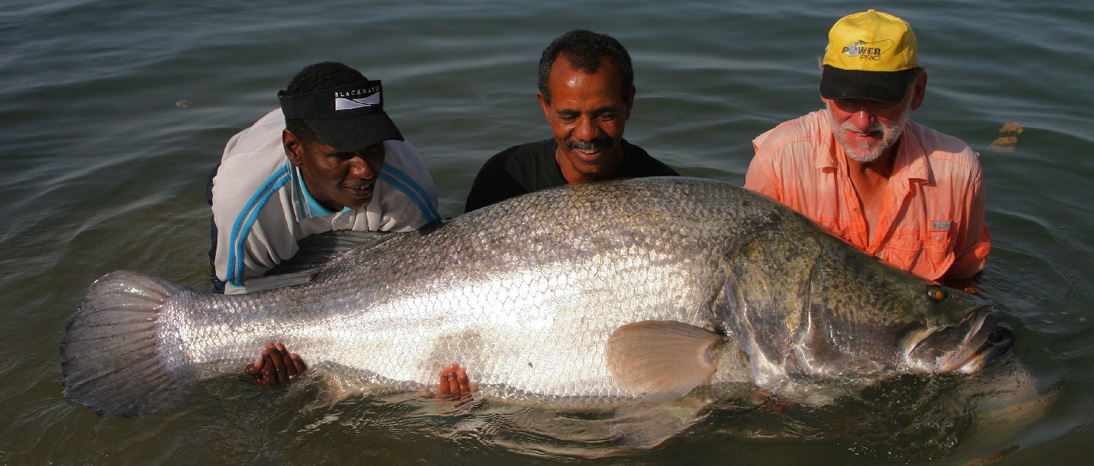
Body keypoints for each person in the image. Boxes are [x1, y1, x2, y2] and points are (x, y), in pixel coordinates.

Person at [744, 10, 991, 289]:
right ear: (824, 87)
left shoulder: (958, 173)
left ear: (918, 90)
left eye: (880, 101)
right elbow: (754, 283)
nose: (862, 122)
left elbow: (965, 282)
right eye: (847, 99)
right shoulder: (778, 161)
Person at [208, 61, 440, 295]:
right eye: (343, 154)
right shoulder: (245, 200)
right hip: (254, 183)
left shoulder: (409, 182)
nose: (366, 171)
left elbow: (412, 275)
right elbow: (239, 290)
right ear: (294, 149)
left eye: (373, 147)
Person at [464, 29, 678, 212]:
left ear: (628, 103)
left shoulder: (668, 193)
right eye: (569, 116)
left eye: (605, 115)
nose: (587, 133)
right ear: (546, 107)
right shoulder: (504, 180)